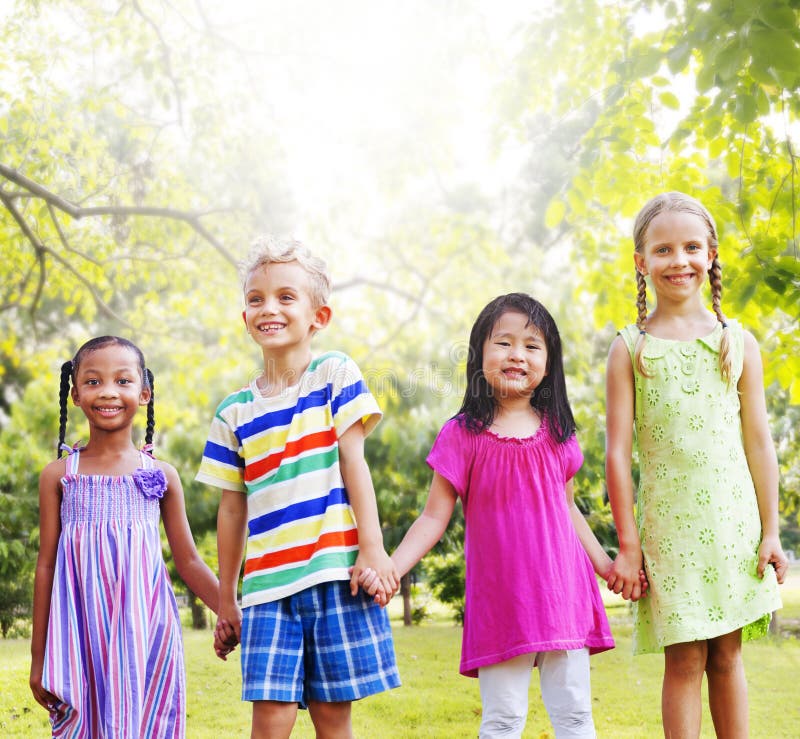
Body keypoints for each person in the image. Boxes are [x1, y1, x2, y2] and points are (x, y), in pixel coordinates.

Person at [361, 292, 615, 739]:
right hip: (503, 604)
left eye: (532, 345)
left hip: (564, 597)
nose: (517, 354)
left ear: (549, 362)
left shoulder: (559, 434)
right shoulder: (462, 435)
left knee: (575, 717)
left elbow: (568, 508)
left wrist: (607, 566)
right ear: (480, 352)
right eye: (504, 342)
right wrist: (392, 569)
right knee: (502, 719)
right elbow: (432, 518)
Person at [197, 236, 400, 738]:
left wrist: (372, 549)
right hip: (267, 589)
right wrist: (228, 598)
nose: (269, 308)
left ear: (318, 317)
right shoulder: (233, 412)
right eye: (256, 298)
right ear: (245, 315)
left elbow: (355, 464)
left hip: (334, 575)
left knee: (333, 720)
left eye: (286, 297)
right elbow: (230, 511)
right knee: (269, 722)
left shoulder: (334, 375)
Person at [605, 191, 789, 737]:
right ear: (642, 262)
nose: (678, 260)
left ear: (711, 253)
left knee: (728, 657)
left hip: (733, 530)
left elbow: (759, 443)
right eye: (663, 250)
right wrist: (629, 543)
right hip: (670, 535)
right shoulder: (630, 349)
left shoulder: (738, 343)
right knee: (684, 661)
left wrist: (772, 531)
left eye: (690, 247)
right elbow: (618, 452)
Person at [29, 336, 221, 738]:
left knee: (145, 723)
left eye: (123, 380)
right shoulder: (60, 476)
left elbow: (188, 561)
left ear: (144, 392)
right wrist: (38, 659)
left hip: (145, 631)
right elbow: (45, 566)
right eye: (94, 382)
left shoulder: (162, 475)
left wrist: (231, 610)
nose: (109, 392)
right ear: (76, 394)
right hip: (79, 634)